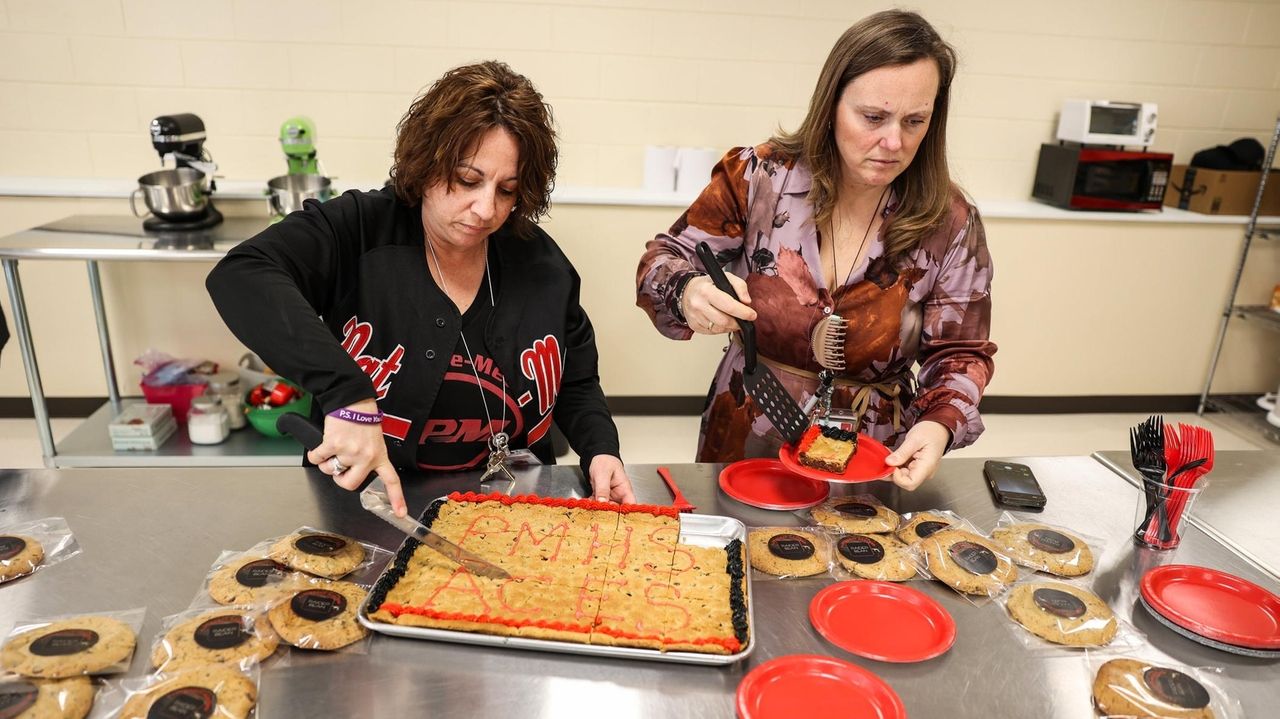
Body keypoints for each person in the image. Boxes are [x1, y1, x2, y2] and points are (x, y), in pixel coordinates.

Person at [208, 61, 634, 515]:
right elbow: (242, 274)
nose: (485, 209)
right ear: (427, 162)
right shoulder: (360, 229)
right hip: (374, 504)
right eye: (468, 180)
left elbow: (576, 378)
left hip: (512, 509)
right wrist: (346, 394)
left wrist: (600, 449)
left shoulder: (542, 265)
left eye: (507, 190)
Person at [636, 10, 995, 490]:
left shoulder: (949, 220)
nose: (894, 142)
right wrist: (686, 290)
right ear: (830, 105)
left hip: (872, 453)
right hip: (749, 428)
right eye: (873, 117)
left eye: (915, 121)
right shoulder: (761, 177)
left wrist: (939, 423)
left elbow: (960, 354)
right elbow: (662, 259)